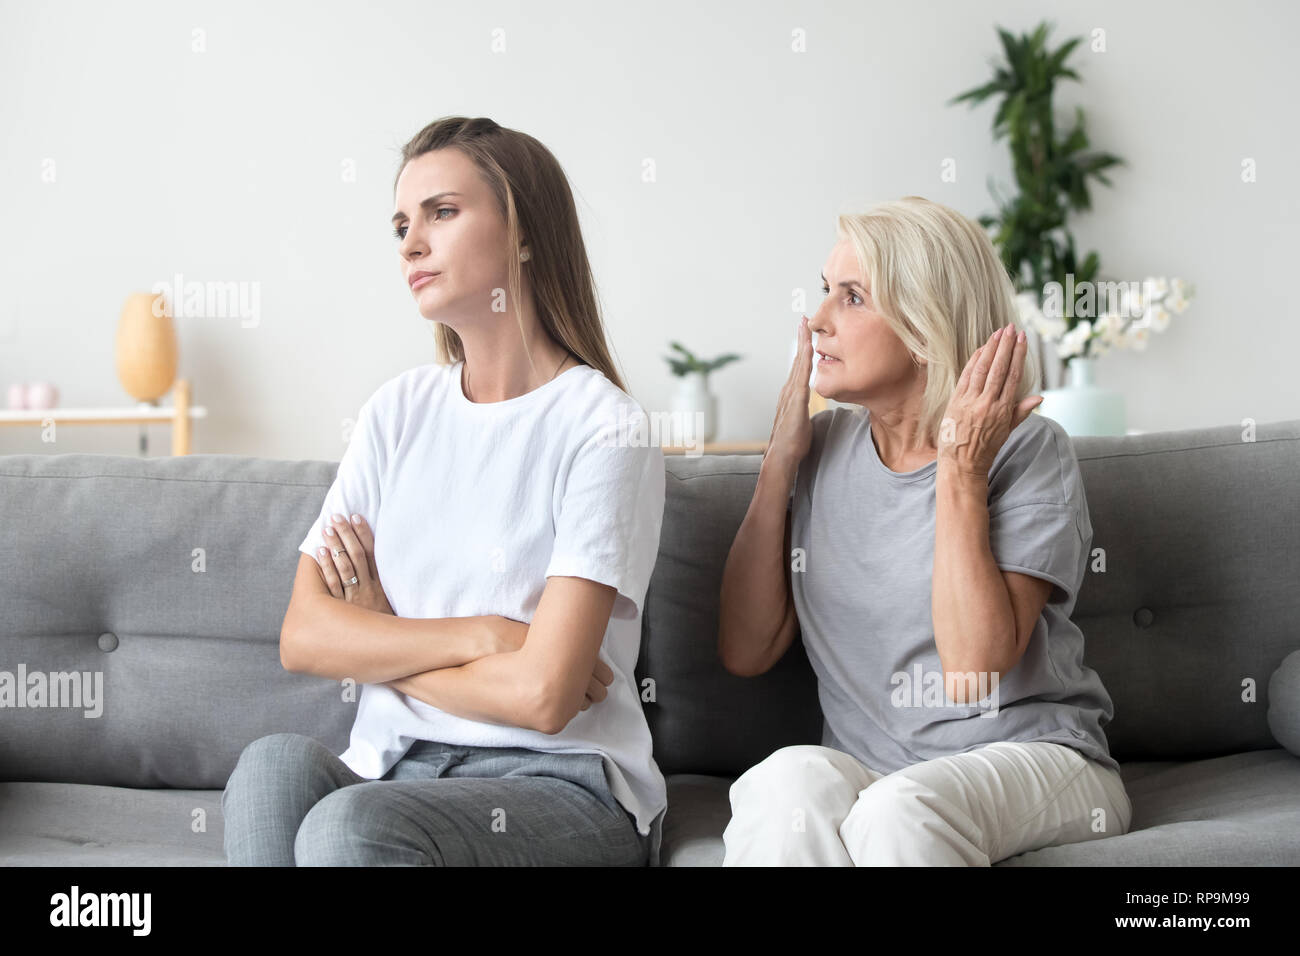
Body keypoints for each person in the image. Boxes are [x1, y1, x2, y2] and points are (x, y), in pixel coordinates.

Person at [222, 116, 666, 866]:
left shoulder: (604, 429)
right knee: (270, 766)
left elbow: (544, 699)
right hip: (398, 766)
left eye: (443, 212)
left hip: (558, 784)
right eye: (401, 223)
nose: (411, 243)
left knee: (348, 828)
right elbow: (304, 636)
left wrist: (380, 638)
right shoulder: (397, 412)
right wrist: (487, 635)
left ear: (524, 231)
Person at [717, 196, 1131, 866]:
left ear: (925, 326)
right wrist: (778, 465)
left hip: (1035, 761)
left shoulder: (1027, 451)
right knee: (781, 785)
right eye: (826, 290)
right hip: (871, 767)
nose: (816, 319)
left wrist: (961, 469)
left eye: (851, 297)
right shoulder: (819, 450)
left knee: (901, 809)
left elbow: (971, 671)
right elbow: (744, 650)